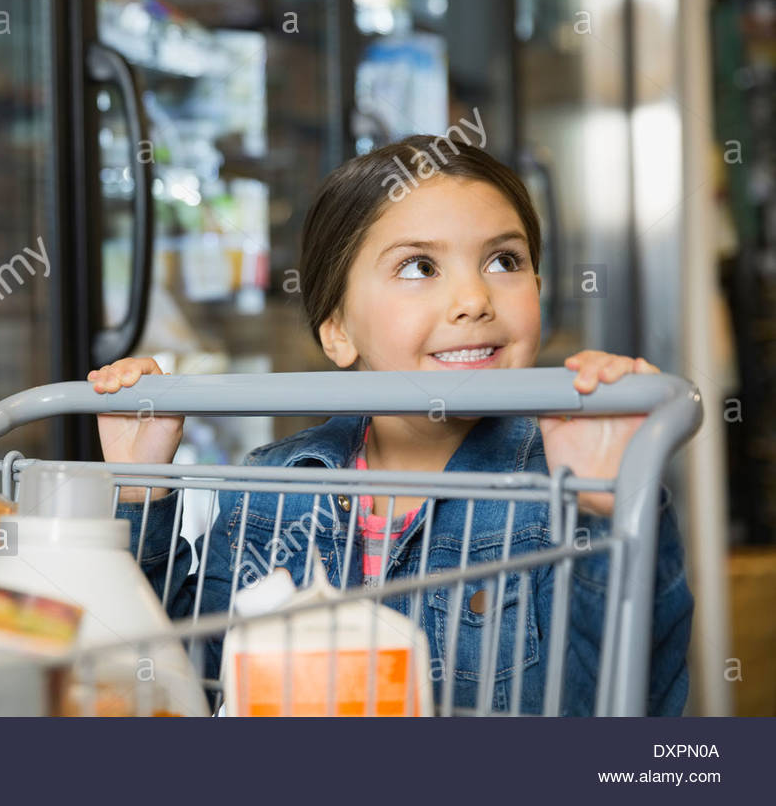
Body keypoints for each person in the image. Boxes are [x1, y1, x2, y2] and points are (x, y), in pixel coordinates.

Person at [89, 135, 693, 715]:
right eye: (418, 267)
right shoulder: (269, 489)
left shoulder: (561, 492)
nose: (474, 299)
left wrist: (607, 503)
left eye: (504, 260)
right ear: (338, 331)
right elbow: (178, 683)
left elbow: (627, 711)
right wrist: (140, 489)